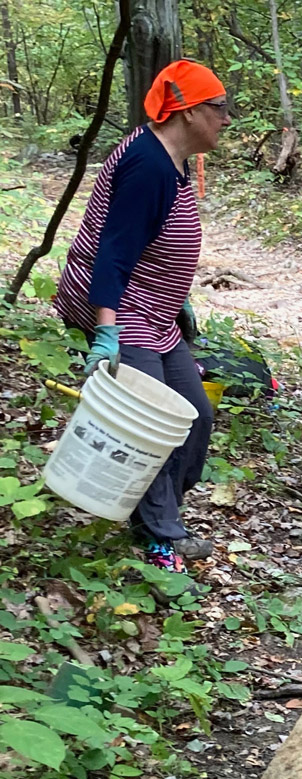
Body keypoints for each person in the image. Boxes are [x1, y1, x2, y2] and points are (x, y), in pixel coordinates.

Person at [54, 59, 231, 574]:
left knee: (195, 417)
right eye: (219, 108)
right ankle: (161, 539)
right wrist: (106, 331)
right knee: (152, 427)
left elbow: (156, 241)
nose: (226, 119)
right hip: (121, 306)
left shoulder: (173, 158)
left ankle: (151, 513)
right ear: (189, 111)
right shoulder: (147, 164)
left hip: (156, 309)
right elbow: (112, 252)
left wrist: (178, 297)